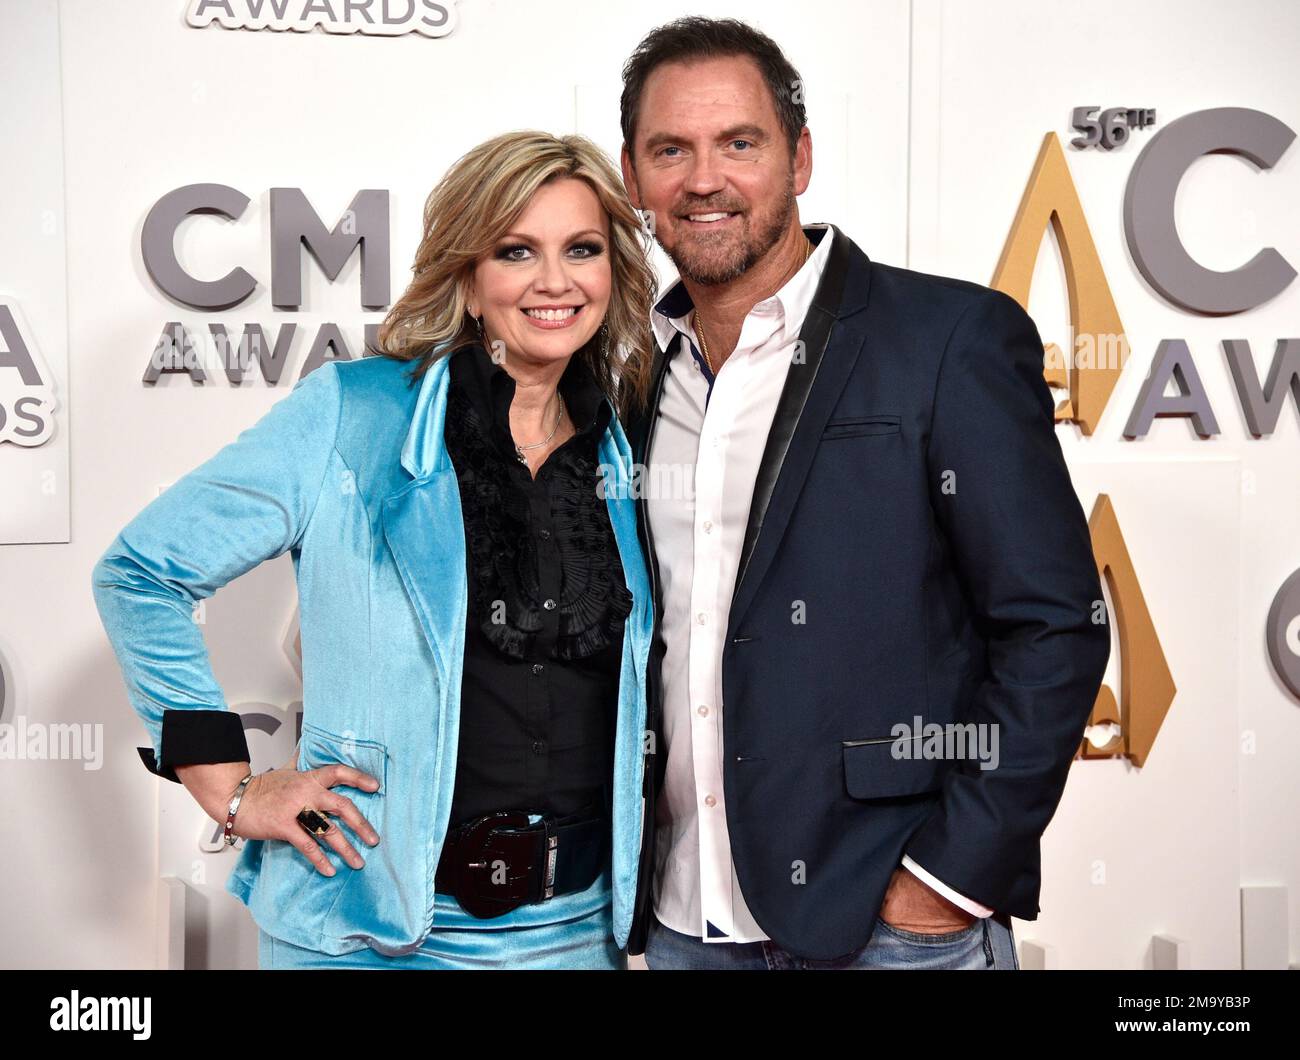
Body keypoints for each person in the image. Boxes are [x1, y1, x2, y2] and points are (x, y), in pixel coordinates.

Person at [91, 130, 660, 969]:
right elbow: (141, 572)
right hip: (364, 933)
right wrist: (229, 786)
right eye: (515, 250)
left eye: (582, 249)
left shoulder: (634, 445)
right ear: (467, 276)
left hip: (576, 934)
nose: (554, 281)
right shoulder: (354, 415)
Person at [616, 17, 1110, 969]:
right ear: (634, 179)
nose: (704, 178)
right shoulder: (636, 377)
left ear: (799, 158)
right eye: (670, 149)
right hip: (684, 925)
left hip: (887, 928)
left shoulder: (948, 339)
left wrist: (945, 880)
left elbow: (1056, 623)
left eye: (740, 143)